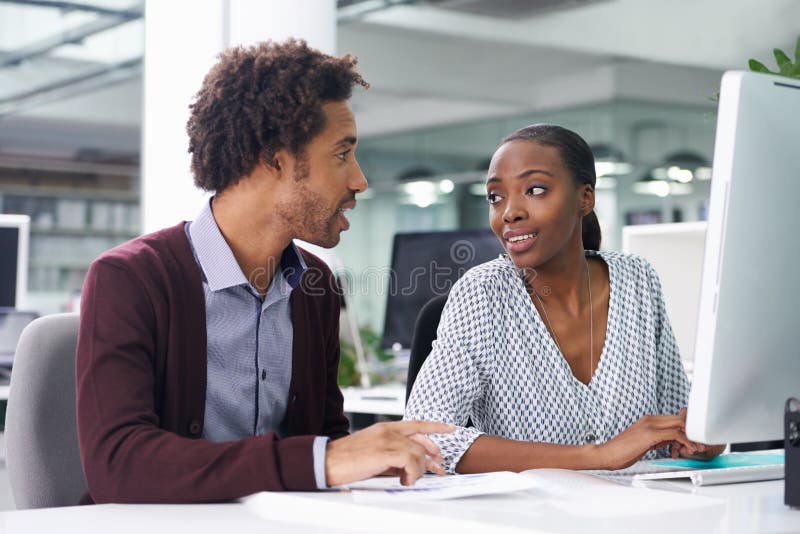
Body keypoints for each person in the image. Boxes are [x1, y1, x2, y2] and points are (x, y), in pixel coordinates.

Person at [75, 39, 451, 504]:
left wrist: (376, 462)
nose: (359, 180)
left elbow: (326, 438)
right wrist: (323, 461)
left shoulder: (315, 286)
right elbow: (117, 464)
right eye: (341, 155)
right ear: (274, 159)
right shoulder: (130, 279)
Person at [404, 124, 723, 474]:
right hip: (535, 508)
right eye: (495, 197)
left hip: (645, 504)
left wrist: (698, 438)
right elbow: (421, 438)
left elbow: (677, 419)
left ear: (585, 198)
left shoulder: (637, 280)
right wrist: (600, 456)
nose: (509, 212)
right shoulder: (483, 293)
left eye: (535, 190)